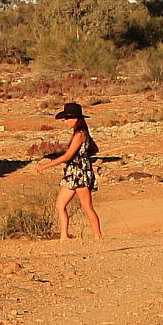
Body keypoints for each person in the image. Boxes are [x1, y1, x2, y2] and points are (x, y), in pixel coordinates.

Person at [35, 102, 103, 240]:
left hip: (80, 173)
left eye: (67, 118)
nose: (65, 121)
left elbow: (67, 156)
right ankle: (64, 237)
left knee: (86, 206)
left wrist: (45, 165)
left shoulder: (80, 134)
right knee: (60, 205)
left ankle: (98, 236)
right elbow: (94, 149)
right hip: (72, 173)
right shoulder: (81, 134)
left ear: (76, 118)